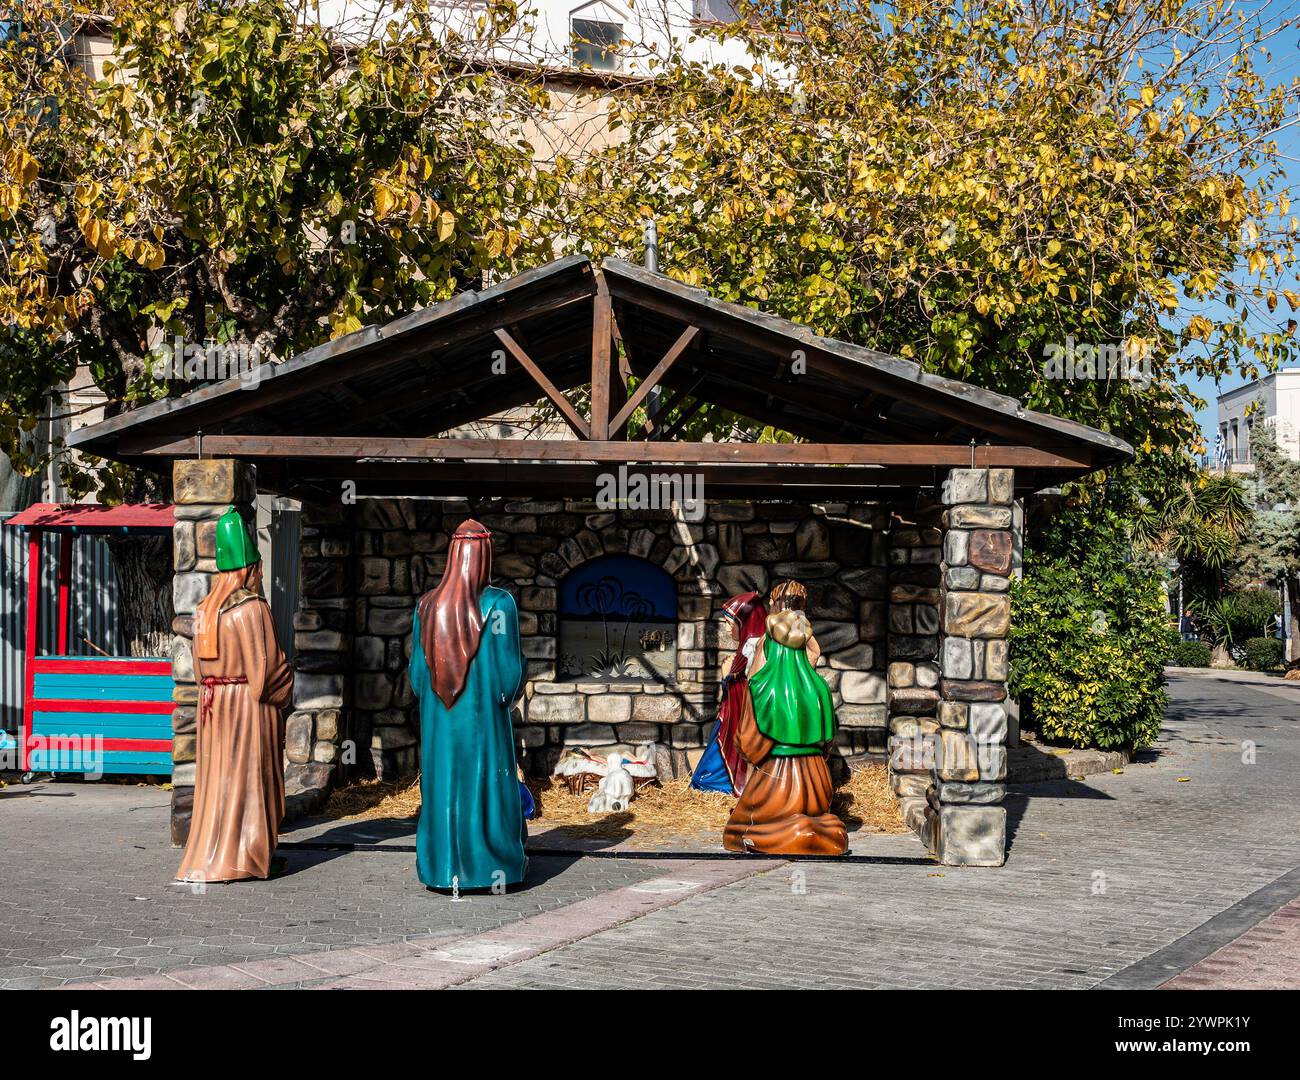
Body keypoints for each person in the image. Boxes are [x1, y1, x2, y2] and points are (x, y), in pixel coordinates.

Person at [177, 507, 293, 884]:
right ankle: (250, 856)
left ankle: (212, 854)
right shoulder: (252, 608)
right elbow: (267, 674)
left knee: (219, 781)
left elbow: (198, 671)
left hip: (213, 707)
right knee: (251, 778)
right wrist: (287, 681)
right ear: (250, 568)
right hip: (248, 706)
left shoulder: (203, 611)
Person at [409, 519, 527, 891]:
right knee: (487, 783)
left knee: (443, 785)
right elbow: (510, 676)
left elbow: (416, 677)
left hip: (439, 722)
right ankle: (490, 866)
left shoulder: (426, 606)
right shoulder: (499, 605)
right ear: (485, 556)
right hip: (484, 722)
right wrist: (499, 700)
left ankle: (442, 868)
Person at [722, 609, 848, 856]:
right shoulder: (819, 686)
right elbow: (828, 742)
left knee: (738, 830)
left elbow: (747, 744)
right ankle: (817, 828)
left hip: (776, 780)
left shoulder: (761, 686)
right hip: (818, 784)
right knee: (815, 819)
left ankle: (797, 832)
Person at [690, 591, 768, 794]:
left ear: (744, 622)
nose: (726, 629)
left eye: (728, 623)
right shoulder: (747, 647)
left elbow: (751, 685)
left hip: (744, 720)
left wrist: (727, 676)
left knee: (707, 777)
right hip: (732, 717)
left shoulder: (756, 647)